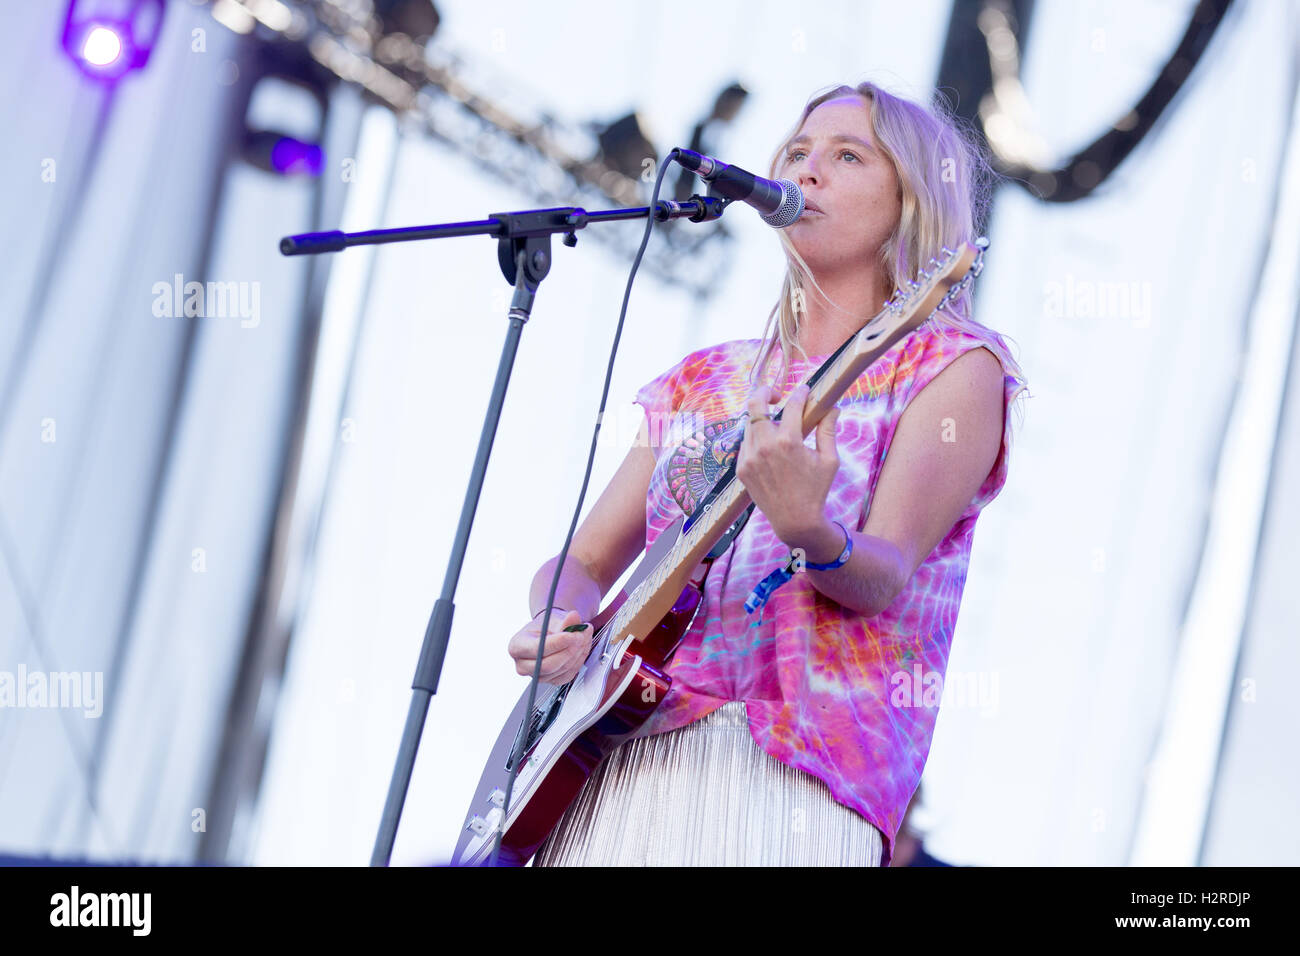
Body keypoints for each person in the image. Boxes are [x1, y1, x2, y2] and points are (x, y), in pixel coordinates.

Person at [506, 81, 1029, 867]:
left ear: (913, 199)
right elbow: (582, 561)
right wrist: (564, 616)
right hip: (615, 759)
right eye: (797, 152)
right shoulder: (705, 379)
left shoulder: (952, 365)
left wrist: (807, 528)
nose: (807, 169)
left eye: (847, 155)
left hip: (794, 777)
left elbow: (881, 575)